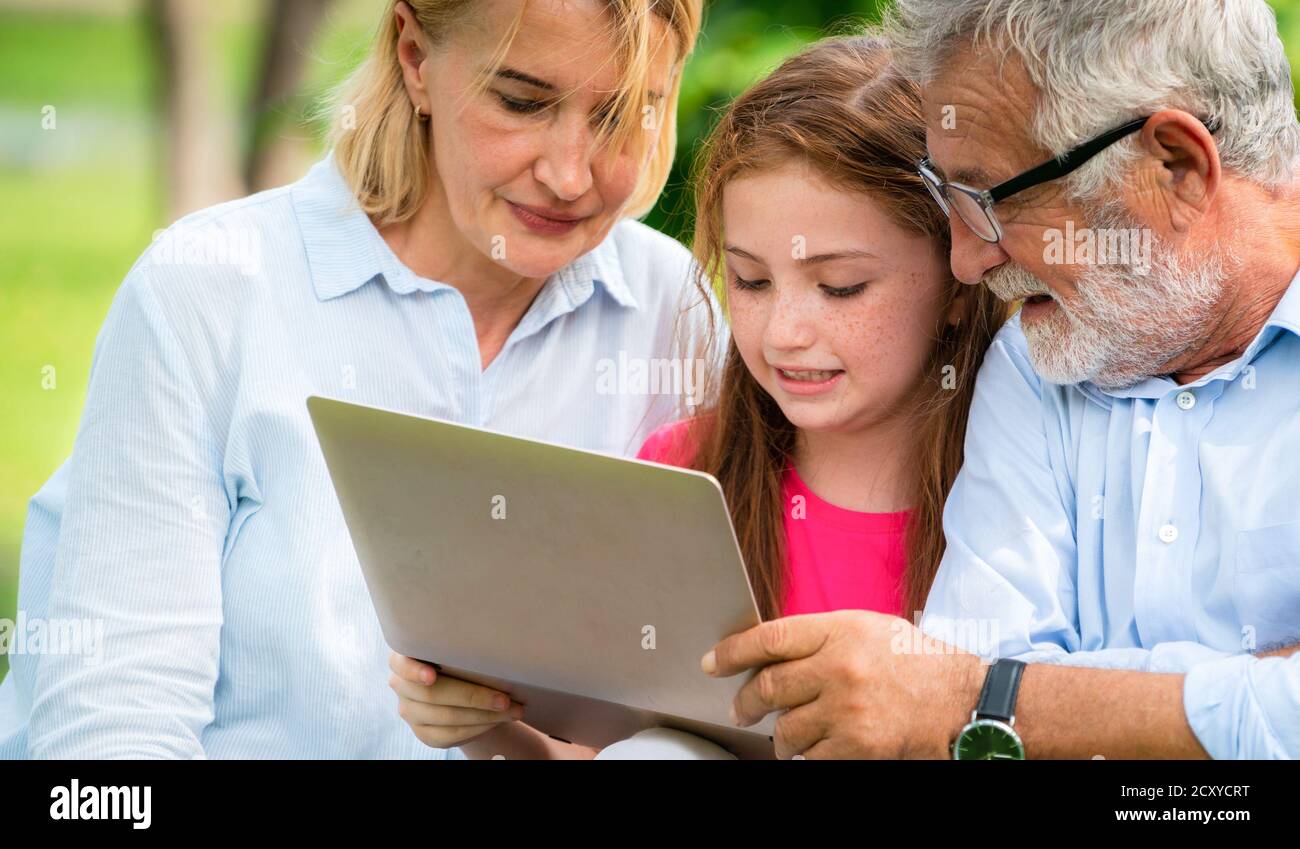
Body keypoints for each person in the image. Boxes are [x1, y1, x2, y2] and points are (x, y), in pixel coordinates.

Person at [0, 0, 706, 759]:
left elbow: (708, 710)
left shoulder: (676, 316)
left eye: (626, 113)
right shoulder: (209, 293)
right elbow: (111, 735)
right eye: (522, 102)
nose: (571, 176)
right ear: (413, 55)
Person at [704, 0, 1300, 759]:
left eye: (991, 198)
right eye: (946, 195)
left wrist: (980, 697)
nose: (965, 262)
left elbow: (958, 703)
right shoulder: (1039, 357)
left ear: (1176, 166)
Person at [389, 33, 1006, 759]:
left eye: (841, 287)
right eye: (749, 280)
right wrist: (486, 723)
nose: (784, 332)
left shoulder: (1020, 485)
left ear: (959, 278)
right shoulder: (687, 472)